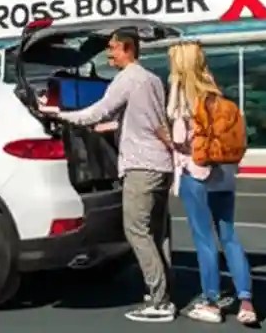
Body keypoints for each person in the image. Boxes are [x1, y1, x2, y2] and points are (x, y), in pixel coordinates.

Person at [42, 28, 177, 323]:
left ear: (128, 48)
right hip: (161, 165)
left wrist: (58, 115)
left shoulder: (126, 79)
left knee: (136, 231)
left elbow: (96, 112)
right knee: (158, 232)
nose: (108, 53)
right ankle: (164, 291)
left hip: (140, 165)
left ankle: (159, 301)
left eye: (113, 48)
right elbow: (141, 119)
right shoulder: (152, 79)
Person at [160, 42, 258, 325]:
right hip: (225, 176)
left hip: (198, 175)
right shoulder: (218, 97)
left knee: (204, 240)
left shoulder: (185, 101)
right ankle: (246, 301)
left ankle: (211, 301)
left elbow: (181, 142)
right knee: (229, 236)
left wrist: (163, 137)